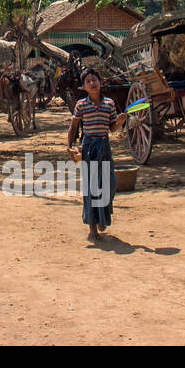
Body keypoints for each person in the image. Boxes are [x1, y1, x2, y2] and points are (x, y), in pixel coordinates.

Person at [67, 68, 123, 243]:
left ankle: (102, 216)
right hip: (89, 147)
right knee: (91, 189)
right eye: (88, 81)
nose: (92, 83)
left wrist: (120, 122)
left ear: (101, 82)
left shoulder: (109, 104)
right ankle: (93, 228)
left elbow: (111, 127)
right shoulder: (81, 104)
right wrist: (69, 147)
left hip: (104, 147)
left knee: (110, 184)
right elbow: (73, 126)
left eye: (94, 80)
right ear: (84, 87)